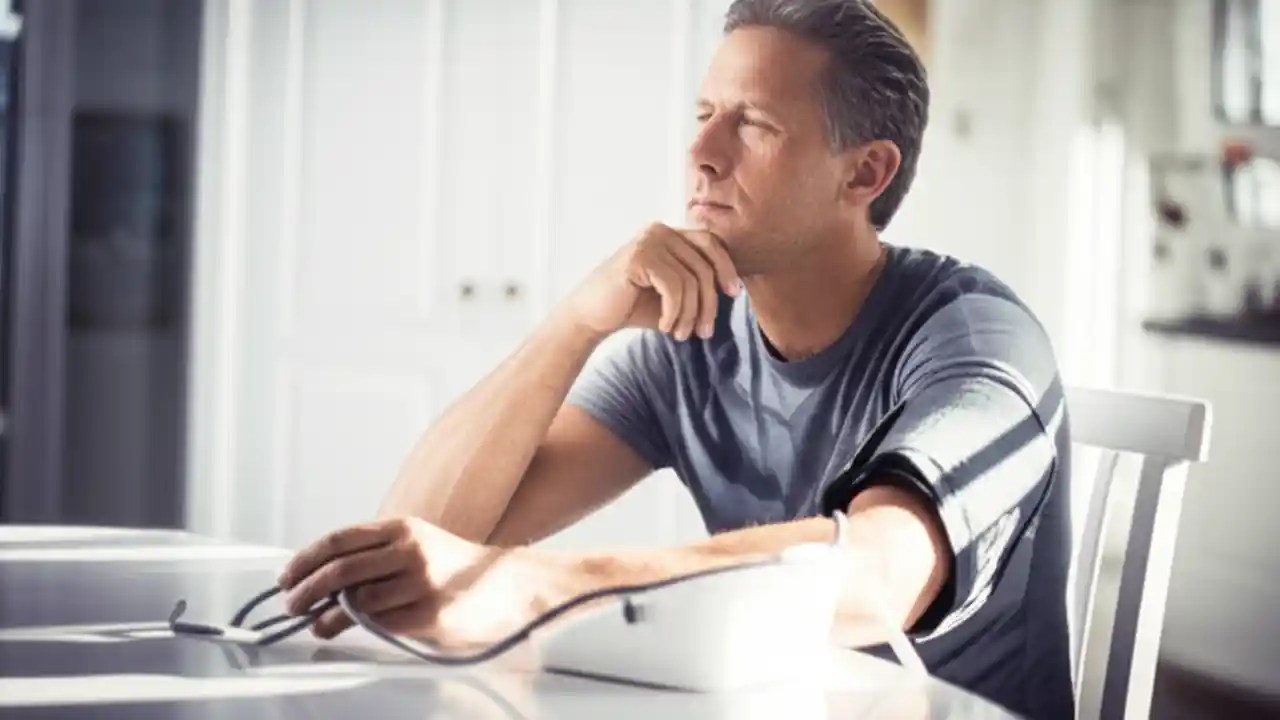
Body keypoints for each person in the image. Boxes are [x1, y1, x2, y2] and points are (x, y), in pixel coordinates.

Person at [276, 0, 1074, 716]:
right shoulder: (697, 342)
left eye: (753, 124)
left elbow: (880, 579)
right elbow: (420, 537)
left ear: (865, 171)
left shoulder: (975, 338)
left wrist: (523, 590)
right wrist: (574, 323)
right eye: (703, 114)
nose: (701, 151)